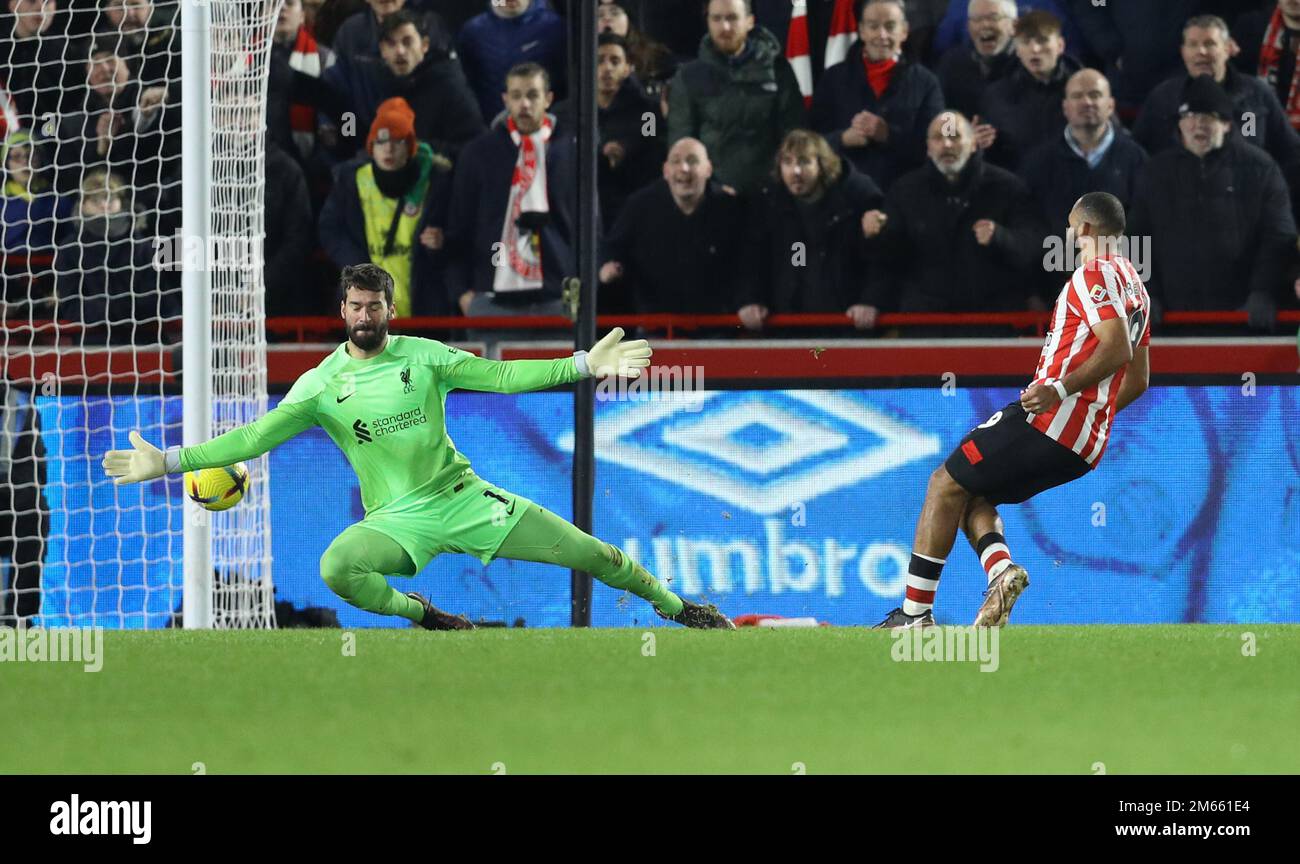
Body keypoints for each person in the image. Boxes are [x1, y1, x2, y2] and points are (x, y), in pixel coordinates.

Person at [102, 263, 735, 630]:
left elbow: (502, 377)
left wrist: (581, 365)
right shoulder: (320, 384)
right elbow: (253, 437)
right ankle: (422, 614)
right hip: (395, 521)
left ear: (390, 309)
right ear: (342, 310)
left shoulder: (424, 357)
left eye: (375, 306)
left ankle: (679, 607)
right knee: (336, 568)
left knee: (592, 554)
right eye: (356, 306)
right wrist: (170, 461)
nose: (365, 316)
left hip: (465, 499)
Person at [873, 192, 1150, 629]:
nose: (1068, 234)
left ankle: (913, 615)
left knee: (943, 483)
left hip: (1047, 421)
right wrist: (1092, 416)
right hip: (1084, 444)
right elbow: (1139, 379)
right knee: (969, 493)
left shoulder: (1093, 273)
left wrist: (1060, 391)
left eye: (1071, 225)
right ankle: (1001, 572)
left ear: (1084, 229)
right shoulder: (1135, 284)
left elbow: (1116, 349)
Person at [1128, 75, 1297, 331]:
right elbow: (1136, 237)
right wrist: (1147, 291)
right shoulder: (1155, 173)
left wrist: (1263, 290)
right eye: (1190, 117)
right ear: (1180, 124)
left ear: (1227, 124)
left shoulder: (1260, 169)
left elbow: (1278, 235)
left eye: (1208, 117)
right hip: (1173, 319)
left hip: (1241, 317)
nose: (1198, 125)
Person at [861, 111, 1043, 320]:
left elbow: (1033, 244)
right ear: (928, 147)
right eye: (938, 138)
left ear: (974, 143)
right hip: (926, 322)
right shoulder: (904, 190)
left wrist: (1001, 237)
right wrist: (876, 234)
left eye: (955, 137)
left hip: (992, 319)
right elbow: (890, 260)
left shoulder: (1008, 187)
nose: (946, 145)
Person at [444, 63, 576, 324]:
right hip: (490, 299)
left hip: (557, 297)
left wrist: (582, 287)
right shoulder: (478, 153)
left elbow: (589, 226)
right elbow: (459, 225)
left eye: (533, 95)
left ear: (548, 99)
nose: (524, 104)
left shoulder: (572, 151)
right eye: (516, 96)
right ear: (505, 100)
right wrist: (461, 292)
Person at [738, 129, 883, 334]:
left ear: (822, 165)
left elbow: (879, 260)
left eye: (804, 162)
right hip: (788, 329)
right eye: (788, 162)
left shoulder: (857, 201)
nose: (795, 171)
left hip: (845, 327)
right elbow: (752, 259)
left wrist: (870, 300)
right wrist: (750, 299)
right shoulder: (769, 205)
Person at [319, 98, 452, 317]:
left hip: (423, 310)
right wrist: (357, 267)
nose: (388, 149)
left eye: (397, 141)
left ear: (410, 147)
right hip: (366, 312)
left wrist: (440, 242)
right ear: (372, 146)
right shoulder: (351, 181)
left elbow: (457, 237)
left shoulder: (436, 184)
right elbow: (329, 229)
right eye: (381, 141)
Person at [667, 0, 804, 195]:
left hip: (772, 194)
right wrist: (712, 189)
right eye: (716, 19)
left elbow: (794, 134)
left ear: (750, 21)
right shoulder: (688, 77)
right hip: (710, 197)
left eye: (732, 18)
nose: (724, 27)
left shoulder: (777, 69)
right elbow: (681, 144)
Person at [1134, 14, 1300, 172]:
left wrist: (1272, 186)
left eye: (1210, 44)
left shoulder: (1257, 93)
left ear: (1228, 48)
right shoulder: (1164, 97)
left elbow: (1291, 152)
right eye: (1193, 44)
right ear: (1183, 52)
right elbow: (1139, 153)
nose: (1201, 51)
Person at [599, 137, 745, 317]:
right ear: (666, 171)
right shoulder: (639, 206)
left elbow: (748, 263)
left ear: (708, 169)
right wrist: (609, 265)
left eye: (693, 161)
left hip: (716, 324)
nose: (684, 168)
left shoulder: (730, 208)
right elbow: (612, 247)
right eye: (676, 161)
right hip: (655, 324)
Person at [811, 0, 943, 192]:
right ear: (862, 31)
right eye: (873, 26)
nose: (882, 35)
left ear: (904, 31)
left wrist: (888, 135)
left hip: (906, 196)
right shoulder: (833, 78)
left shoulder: (927, 83)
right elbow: (811, 140)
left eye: (890, 26)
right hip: (843, 195)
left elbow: (937, 146)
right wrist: (842, 139)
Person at [977, 9, 1082, 171]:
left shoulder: (1086, 91)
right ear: (1018, 50)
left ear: (1060, 45)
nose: (1035, 49)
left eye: (1042, 41)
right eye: (1026, 42)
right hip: (1018, 182)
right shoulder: (996, 96)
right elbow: (989, 160)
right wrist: (977, 146)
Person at [456, 0, 567, 124]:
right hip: (490, 127)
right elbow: (465, 86)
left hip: (544, 127)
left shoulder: (555, 28)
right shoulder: (472, 33)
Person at [0, 378, 48, 627]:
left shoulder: (23, 403)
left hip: (19, 501)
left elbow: (38, 466)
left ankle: (19, 620)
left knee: (36, 515)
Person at [936, 0, 1019, 120]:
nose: (984, 25)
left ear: (1014, 26)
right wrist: (960, 131)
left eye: (993, 18)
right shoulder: (951, 63)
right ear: (968, 27)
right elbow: (944, 114)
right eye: (977, 19)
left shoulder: (1029, 64)